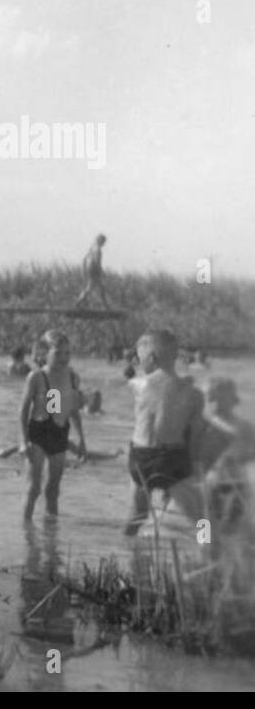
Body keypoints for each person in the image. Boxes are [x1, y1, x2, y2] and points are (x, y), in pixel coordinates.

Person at [123, 330, 205, 536]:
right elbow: (194, 435)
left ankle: (125, 550)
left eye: (140, 358)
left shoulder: (137, 385)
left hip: (140, 457)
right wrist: (196, 466)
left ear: (151, 358)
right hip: (173, 458)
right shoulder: (194, 393)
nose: (139, 363)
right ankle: (209, 548)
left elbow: (136, 378)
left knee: (137, 515)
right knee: (202, 517)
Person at [19, 330, 87, 521]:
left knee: (53, 489)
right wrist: (24, 442)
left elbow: (70, 410)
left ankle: (50, 534)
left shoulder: (72, 377)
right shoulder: (37, 377)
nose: (64, 358)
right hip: (39, 433)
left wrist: (81, 440)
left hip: (58, 434)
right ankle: (27, 530)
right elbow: (23, 410)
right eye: (58, 353)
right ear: (44, 353)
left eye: (67, 353)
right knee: (34, 488)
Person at [198, 377, 254, 544]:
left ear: (232, 399)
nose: (215, 403)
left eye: (219, 398)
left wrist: (239, 457)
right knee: (205, 525)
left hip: (237, 483)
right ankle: (205, 553)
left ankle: (232, 561)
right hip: (210, 482)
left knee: (234, 529)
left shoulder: (244, 426)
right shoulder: (204, 424)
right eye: (211, 398)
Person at [73, 233, 110, 308]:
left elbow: (84, 259)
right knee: (93, 287)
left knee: (99, 287)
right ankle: (79, 302)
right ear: (100, 241)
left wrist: (84, 269)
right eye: (103, 242)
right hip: (94, 269)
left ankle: (105, 305)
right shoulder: (98, 250)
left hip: (89, 268)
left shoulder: (92, 248)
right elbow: (97, 262)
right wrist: (101, 271)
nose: (104, 244)